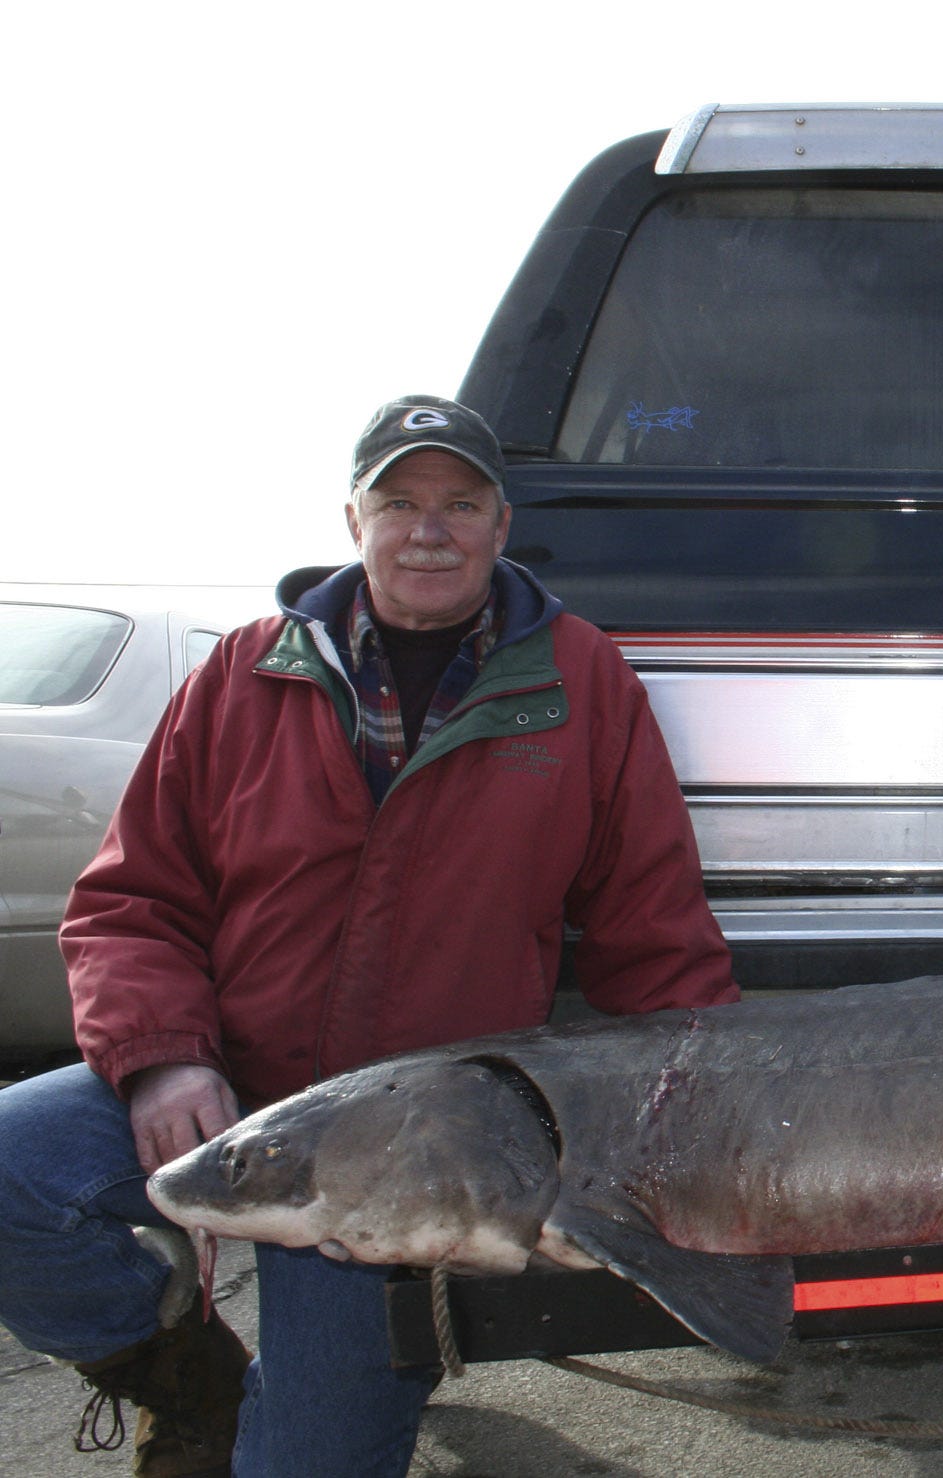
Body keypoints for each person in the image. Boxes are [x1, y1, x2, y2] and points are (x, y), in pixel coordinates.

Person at [0, 394, 737, 1476]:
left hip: (420, 1155)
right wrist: (161, 1062)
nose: (426, 527)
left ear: (500, 521)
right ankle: (180, 1369)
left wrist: (701, 1132)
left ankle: (357, 1362)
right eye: (398, 500)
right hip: (240, 1092)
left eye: (458, 502)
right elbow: (131, 901)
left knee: (304, 1461)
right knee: (14, 1164)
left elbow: (652, 925)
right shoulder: (244, 671)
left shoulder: (584, 682)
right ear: (354, 520)